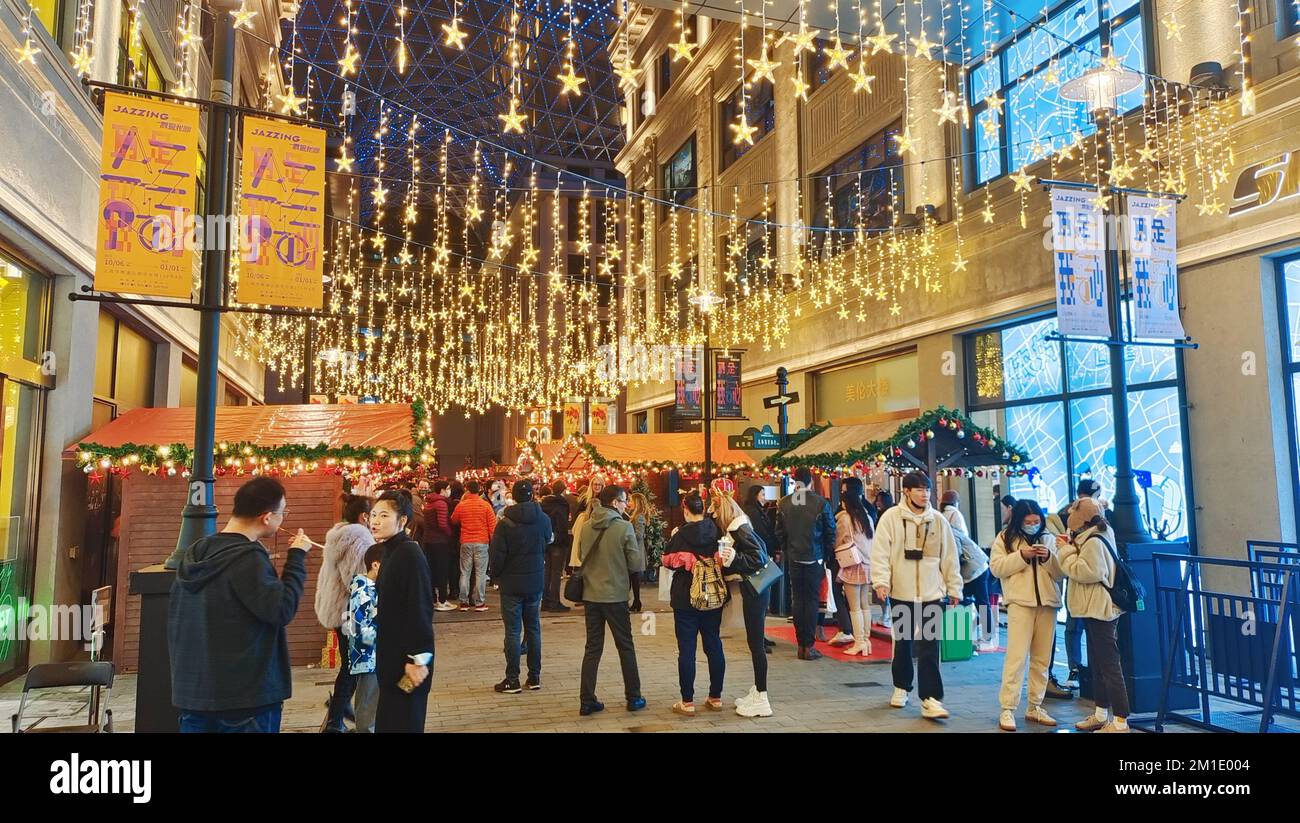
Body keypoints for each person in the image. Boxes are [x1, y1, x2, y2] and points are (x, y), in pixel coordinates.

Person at [168, 477, 314, 733]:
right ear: (267, 517)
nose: (283, 520)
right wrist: (297, 557)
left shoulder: (196, 553)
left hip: (195, 696)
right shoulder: (248, 558)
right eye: (283, 513)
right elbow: (281, 609)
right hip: (245, 701)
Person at [871, 472, 963, 720]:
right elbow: (880, 552)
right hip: (901, 592)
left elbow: (949, 557)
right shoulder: (891, 518)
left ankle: (930, 698)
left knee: (930, 647)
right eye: (919, 489)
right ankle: (901, 686)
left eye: (927, 490)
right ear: (906, 491)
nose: (924, 494)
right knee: (903, 643)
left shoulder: (938, 520)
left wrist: (954, 588)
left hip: (933, 594)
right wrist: (881, 582)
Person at [989, 500, 1063, 732]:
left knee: (1042, 659)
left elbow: (1061, 572)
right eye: (1028, 522)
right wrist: (1021, 555)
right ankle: (1008, 708)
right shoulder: (1004, 539)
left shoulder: (1049, 538)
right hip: (1020, 603)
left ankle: (1035, 705)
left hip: (1048, 603)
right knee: (1016, 657)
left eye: (1036, 521)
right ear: (1019, 521)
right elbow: (997, 568)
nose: (1033, 525)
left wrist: (1048, 557)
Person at [1057, 497, 1130, 733]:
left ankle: (1120, 721)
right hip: (1094, 607)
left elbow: (1085, 571)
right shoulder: (1099, 534)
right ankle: (1100, 713)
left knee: (1109, 665)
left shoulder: (1094, 541)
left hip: (1100, 608)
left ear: (1081, 520)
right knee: (1098, 664)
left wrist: (1065, 550)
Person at [575, 484, 647, 716]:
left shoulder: (586, 527)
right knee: (625, 646)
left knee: (592, 648)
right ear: (615, 503)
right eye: (625, 501)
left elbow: (579, 555)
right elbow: (635, 565)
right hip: (615, 596)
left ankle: (587, 700)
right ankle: (633, 697)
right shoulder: (624, 528)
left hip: (591, 596)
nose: (627, 505)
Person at [372, 491, 434, 733]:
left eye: (384, 515)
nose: (375, 521)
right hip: (392, 661)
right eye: (374, 515)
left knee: (404, 721)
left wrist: (418, 659)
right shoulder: (390, 551)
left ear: (403, 520)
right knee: (391, 719)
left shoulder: (409, 553)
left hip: (409, 666)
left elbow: (419, 609)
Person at [661, 492, 726, 716]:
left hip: (685, 599)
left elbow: (667, 561)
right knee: (714, 644)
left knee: (687, 649)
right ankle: (715, 697)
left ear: (685, 508)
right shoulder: (716, 530)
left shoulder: (680, 535)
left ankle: (687, 702)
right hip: (713, 598)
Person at [315, 493, 374, 733]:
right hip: (350, 612)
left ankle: (339, 709)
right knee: (352, 666)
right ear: (364, 516)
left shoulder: (340, 534)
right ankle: (334, 719)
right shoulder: (358, 537)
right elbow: (357, 579)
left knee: (350, 665)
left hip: (337, 610)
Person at [712, 491, 774, 717]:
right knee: (754, 642)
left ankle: (762, 696)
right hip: (756, 590)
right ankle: (758, 690)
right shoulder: (740, 527)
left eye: (716, 510)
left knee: (756, 643)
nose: (715, 515)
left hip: (756, 590)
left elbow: (758, 557)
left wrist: (733, 559)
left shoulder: (738, 529)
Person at [1044, 478, 1109, 694]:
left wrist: (1066, 551)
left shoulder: (1069, 512)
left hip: (1077, 579)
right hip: (1088, 582)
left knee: (1076, 628)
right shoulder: (1092, 514)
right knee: (1087, 632)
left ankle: (1078, 671)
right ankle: (1084, 675)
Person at [487, 480, 552, 693]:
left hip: (511, 584)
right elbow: (547, 543)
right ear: (532, 496)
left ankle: (512, 679)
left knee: (513, 631)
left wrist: (495, 576)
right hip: (535, 582)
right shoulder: (543, 519)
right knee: (533, 629)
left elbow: (496, 556)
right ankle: (534, 677)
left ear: (513, 497)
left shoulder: (505, 523)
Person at [775, 466, 836, 660]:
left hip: (794, 558)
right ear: (810, 481)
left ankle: (801, 644)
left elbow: (779, 532)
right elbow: (830, 531)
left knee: (797, 599)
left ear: (794, 481)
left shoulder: (784, 503)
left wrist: (786, 551)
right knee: (810, 601)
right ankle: (807, 645)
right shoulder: (820, 503)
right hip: (814, 557)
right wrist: (825, 555)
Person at [943, 489, 992, 645]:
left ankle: (986, 635)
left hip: (975, 569)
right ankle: (972, 634)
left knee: (979, 602)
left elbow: (955, 555)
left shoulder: (947, 527)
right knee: (974, 601)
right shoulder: (952, 517)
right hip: (974, 568)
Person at [345, 542, 385, 733]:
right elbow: (360, 629)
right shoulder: (363, 592)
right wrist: (378, 644)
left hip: (371, 656)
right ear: (376, 565)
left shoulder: (368, 588)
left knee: (371, 702)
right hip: (369, 657)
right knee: (368, 705)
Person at [835, 477, 874, 657]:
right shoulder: (866, 516)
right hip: (867, 564)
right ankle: (866, 640)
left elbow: (839, 540)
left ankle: (858, 642)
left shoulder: (845, 518)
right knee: (865, 604)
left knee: (854, 606)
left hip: (852, 564)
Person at [451, 480, 497, 611]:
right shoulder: (486, 505)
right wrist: (492, 542)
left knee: (465, 572)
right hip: (482, 542)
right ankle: (479, 602)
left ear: (467, 490)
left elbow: (453, 520)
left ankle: (464, 602)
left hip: (465, 541)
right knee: (480, 573)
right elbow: (492, 526)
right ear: (479, 490)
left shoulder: (462, 505)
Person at [423, 481, 457, 612]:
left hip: (428, 540)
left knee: (431, 570)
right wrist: (450, 533)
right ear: (442, 490)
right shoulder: (441, 504)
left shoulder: (429, 502)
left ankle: (433, 599)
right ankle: (442, 600)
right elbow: (442, 524)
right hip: (440, 542)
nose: (449, 491)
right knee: (442, 570)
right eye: (448, 488)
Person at [540, 479, 573, 612]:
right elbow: (563, 524)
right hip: (559, 541)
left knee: (547, 572)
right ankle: (555, 602)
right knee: (556, 572)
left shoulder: (544, 503)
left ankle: (545, 601)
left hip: (546, 540)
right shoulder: (562, 504)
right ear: (564, 490)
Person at [627, 492, 653, 612]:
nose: (629, 503)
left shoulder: (639, 516)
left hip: (636, 551)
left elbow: (639, 535)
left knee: (634, 578)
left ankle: (636, 601)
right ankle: (636, 602)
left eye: (631, 501)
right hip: (635, 550)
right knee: (633, 579)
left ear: (636, 503)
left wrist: (627, 534)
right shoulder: (635, 515)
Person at [446, 480, 465, 601]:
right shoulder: (462, 503)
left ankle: (454, 590)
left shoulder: (451, 504)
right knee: (460, 566)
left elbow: (451, 521)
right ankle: (460, 590)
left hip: (452, 537)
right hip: (461, 536)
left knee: (453, 565)